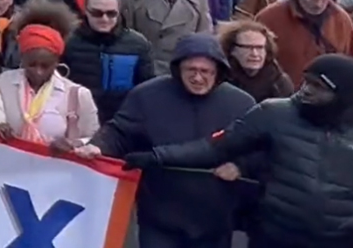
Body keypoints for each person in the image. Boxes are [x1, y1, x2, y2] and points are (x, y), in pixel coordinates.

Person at [123, 55, 353, 248]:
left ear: (343, 96)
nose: (305, 91)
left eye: (318, 87)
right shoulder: (274, 113)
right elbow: (214, 147)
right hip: (275, 236)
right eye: (306, 81)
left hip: (339, 240)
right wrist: (157, 156)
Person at [75, 34, 256, 248]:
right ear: (178, 69)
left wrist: (240, 166)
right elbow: (120, 132)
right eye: (191, 70)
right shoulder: (147, 96)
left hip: (215, 221)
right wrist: (98, 146)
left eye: (205, 71)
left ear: (218, 72)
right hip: (160, 216)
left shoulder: (241, 103)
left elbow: (259, 148)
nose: (198, 78)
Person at [0, 0, 99, 146]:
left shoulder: (77, 95)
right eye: (32, 65)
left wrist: (73, 144)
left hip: (55, 168)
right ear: (22, 58)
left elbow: (94, 139)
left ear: (57, 61)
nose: (38, 72)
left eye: (45, 66)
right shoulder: (4, 82)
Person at [63, 0, 154, 123]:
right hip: (77, 120)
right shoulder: (68, 42)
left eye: (111, 13)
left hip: (121, 123)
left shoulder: (138, 45)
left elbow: (146, 91)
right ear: (85, 11)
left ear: (119, 12)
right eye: (97, 13)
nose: (104, 19)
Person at [257, 0, 353, 87]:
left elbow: (351, 61)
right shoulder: (269, 18)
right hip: (282, 95)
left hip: (329, 97)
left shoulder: (341, 19)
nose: (318, 4)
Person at [218, 20, 294, 103]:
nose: (255, 54)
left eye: (260, 48)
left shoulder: (280, 83)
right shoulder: (219, 78)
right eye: (247, 47)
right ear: (232, 49)